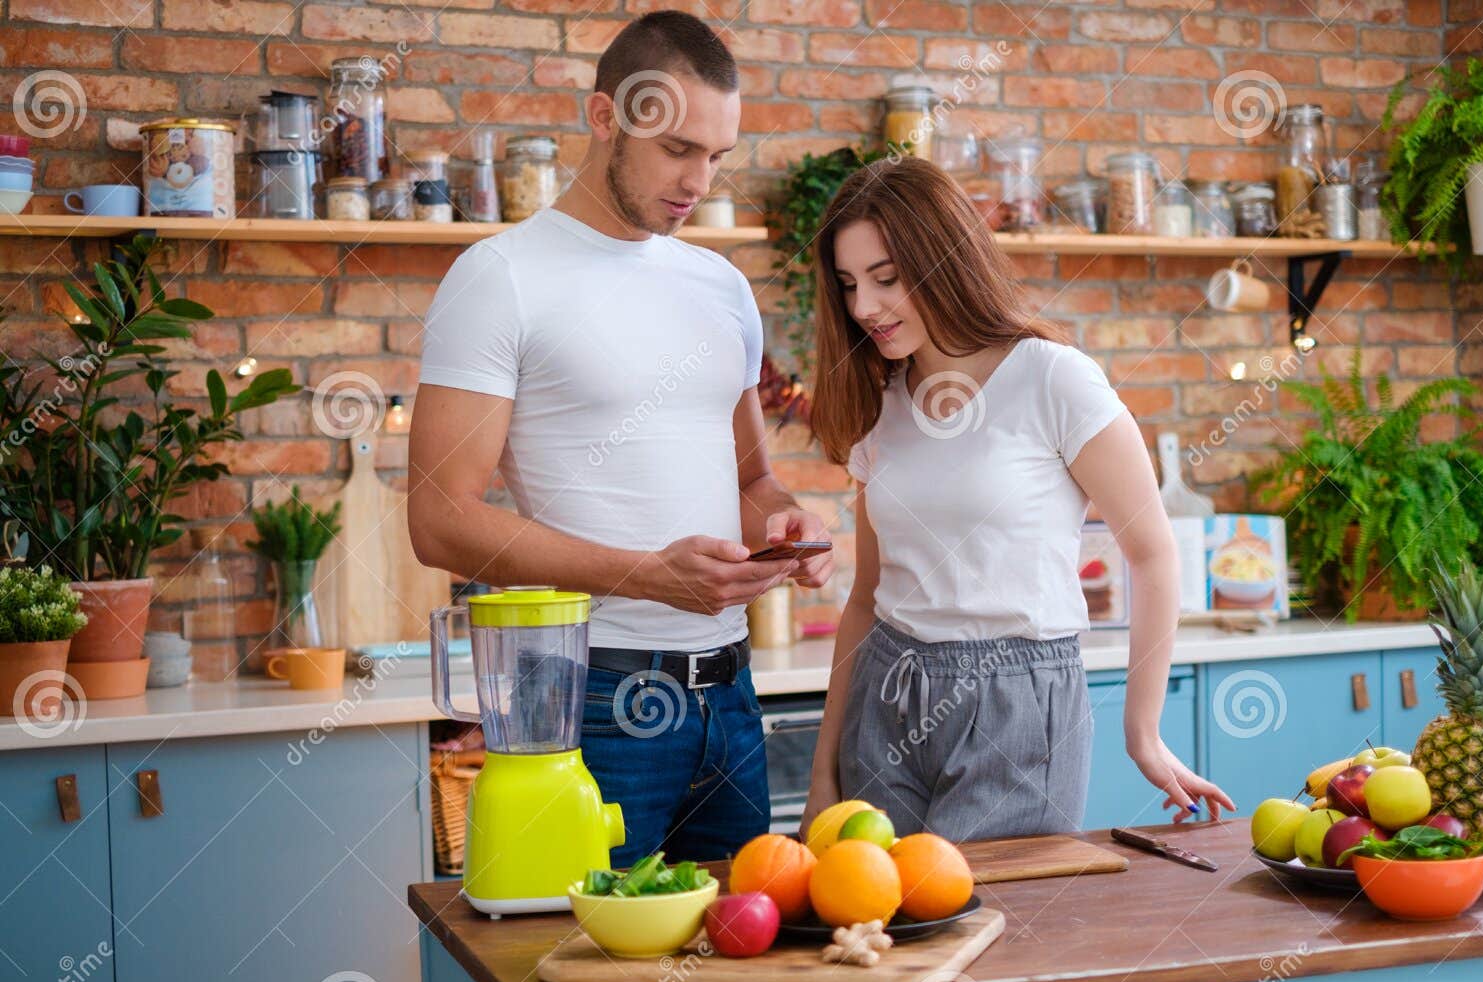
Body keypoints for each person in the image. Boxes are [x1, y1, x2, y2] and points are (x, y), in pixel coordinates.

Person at [409, 11, 832, 866]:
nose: (698, 181)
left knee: (739, 974)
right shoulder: (500, 278)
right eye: (677, 148)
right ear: (605, 117)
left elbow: (754, 481)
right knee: (581, 969)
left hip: (732, 694)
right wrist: (647, 577)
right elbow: (439, 519)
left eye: (716, 157)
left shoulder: (719, 285)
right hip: (593, 694)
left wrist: (785, 522)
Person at [800, 157, 1233, 842]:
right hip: (888, 687)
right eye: (850, 285)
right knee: (885, 927)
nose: (863, 307)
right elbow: (866, 597)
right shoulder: (880, 404)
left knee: (999, 927)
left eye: (886, 279)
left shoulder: (1052, 378)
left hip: (1018, 700)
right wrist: (824, 772)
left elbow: (1153, 553)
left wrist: (1143, 733)